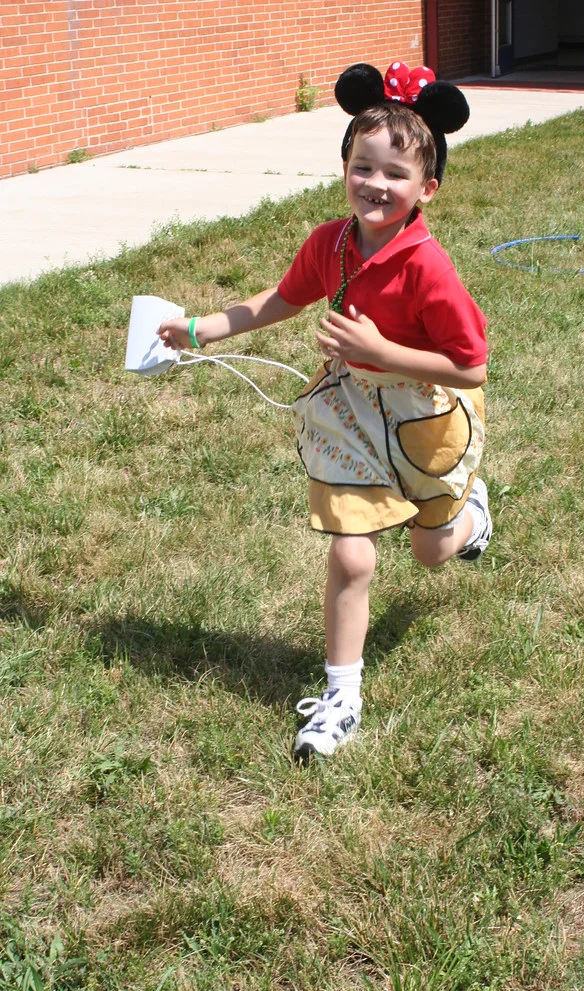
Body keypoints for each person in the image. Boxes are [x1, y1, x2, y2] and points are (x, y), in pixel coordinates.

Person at [158, 62, 492, 760]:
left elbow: (470, 366)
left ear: (426, 189)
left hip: (424, 411)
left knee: (431, 552)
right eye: (362, 166)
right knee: (351, 553)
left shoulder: (429, 269)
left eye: (395, 174)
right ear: (344, 166)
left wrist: (382, 349)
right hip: (348, 410)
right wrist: (198, 330)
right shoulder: (329, 244)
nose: (376, 183)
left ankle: (470, 514)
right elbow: (277, 301)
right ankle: (342, 696)